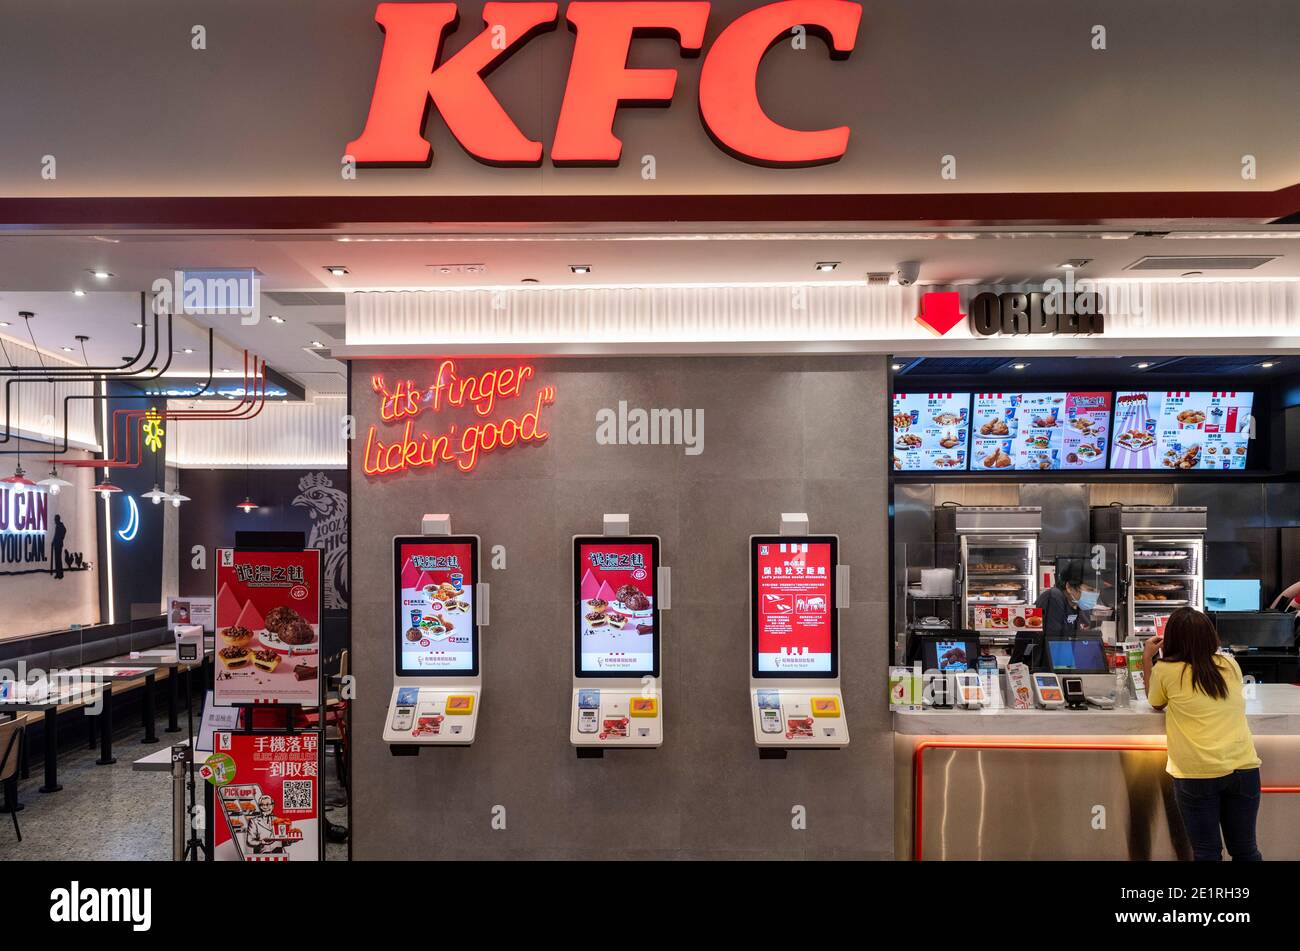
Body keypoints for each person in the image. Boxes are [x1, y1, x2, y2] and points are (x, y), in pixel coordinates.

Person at [1143, 608, 1262, 861]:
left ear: (1172, 638)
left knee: (1207, 851)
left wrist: (1147, 657)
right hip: (1243, 767)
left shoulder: (1166, 670)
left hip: (1196, 771)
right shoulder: (1229, 664)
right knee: (1245, 850)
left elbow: (1155, 702)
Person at [1027, 556, 1097, 668]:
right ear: (1069, 587)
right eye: (1090, 590)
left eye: (1096, 590)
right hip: (1035, 669)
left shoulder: (1079, 604)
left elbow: (1081, 638)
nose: (1094, 595)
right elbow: (1054, 643)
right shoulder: (1053, 598)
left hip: (1062, 667)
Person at [51, 514, 66, 580]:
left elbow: (58, 534)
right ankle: (59, 574)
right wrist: (54, 541)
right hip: (57, 544)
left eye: (55, 519)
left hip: (58, 545)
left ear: (57, 519)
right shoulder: (59, 525)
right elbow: (56, 535)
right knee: (57, 559)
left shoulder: (60, 525)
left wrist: (61, 538)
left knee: (58, 559)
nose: (54, 520)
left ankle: (60, 574)